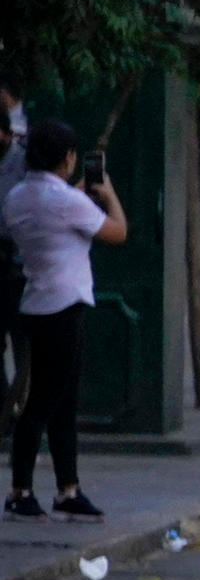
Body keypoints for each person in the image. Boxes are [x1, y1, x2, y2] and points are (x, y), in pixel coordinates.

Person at [6, 123, 128, 520]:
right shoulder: (66, 201)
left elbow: (51, 212)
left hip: (35, 305)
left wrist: (74, 194)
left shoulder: (18, 196)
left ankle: (66, 488)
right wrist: (108, 195)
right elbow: (118, 232)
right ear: (68, 158)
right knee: (45, 403)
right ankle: (23, 491)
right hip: (65, 307)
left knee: (57, 401)